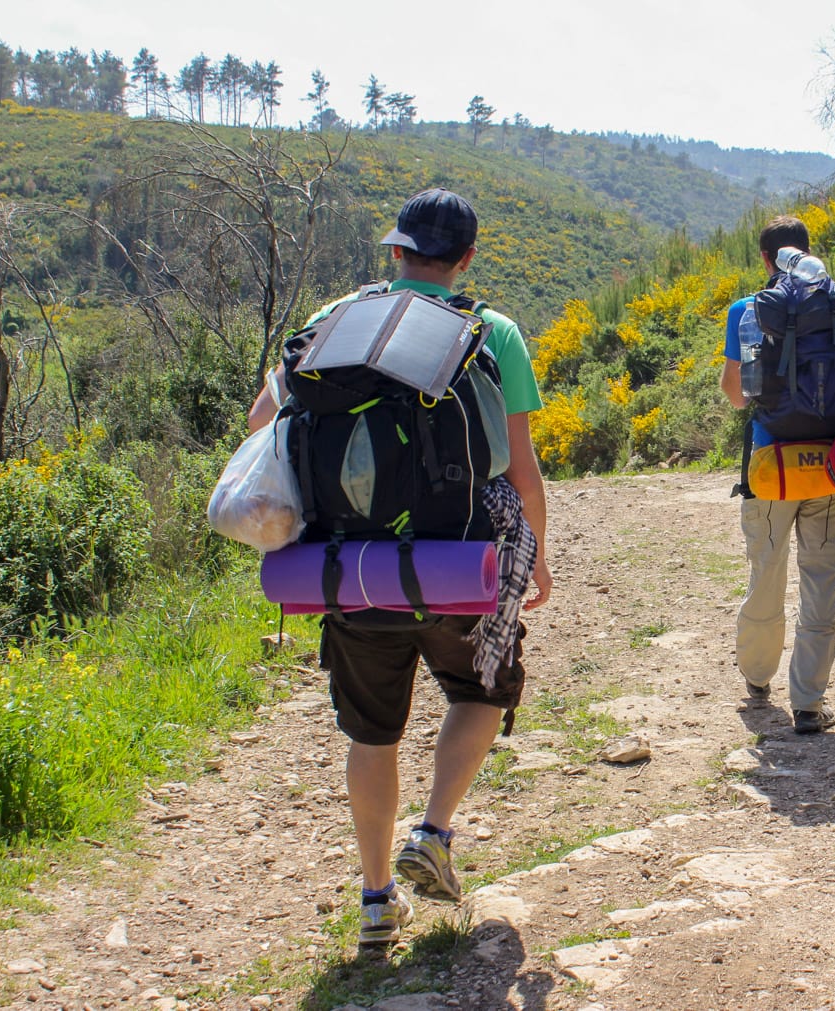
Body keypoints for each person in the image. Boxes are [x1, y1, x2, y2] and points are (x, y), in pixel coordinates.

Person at [247, 187, 552, 946]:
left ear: (396, 251)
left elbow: (262, 423)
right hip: (462, 565)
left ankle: (378, 895)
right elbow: (519, 465)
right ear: (467, 258)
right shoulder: (493, 332)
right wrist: (536, 556)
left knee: (372, 733)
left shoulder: (332, 321)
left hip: (349, 570)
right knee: (483, 690)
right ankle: (436, 832)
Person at [719, 214, 835, 736]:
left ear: (766, 259)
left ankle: (759, 679)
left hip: (770, 468)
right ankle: (809, 703)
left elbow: (738, 395)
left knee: (766, 571)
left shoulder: (746, 310)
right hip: (830, 465)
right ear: (808, 251)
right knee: (821, 581)